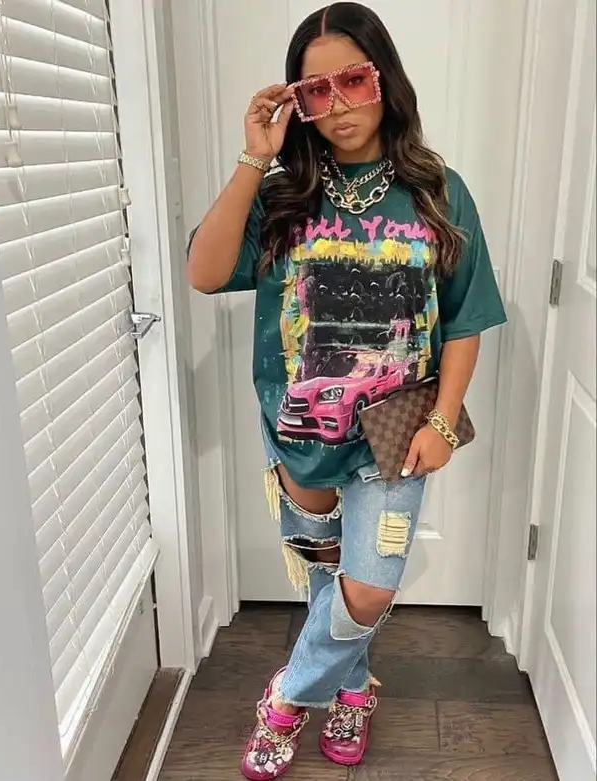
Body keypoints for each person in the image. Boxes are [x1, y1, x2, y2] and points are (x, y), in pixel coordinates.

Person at [187, 3, 507, 778]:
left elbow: (465, 319)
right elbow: (203, 272)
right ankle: (352, 689)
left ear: (384, 80)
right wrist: (252, 157)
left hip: (396, 437)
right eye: (315, 91)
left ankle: (286, 697)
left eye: (353, 81)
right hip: (299, 433)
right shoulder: (282, 195)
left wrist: (442, 419)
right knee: (323, 578)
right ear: (298, 102)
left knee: (366, 591)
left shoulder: (438, 191)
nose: (338, 105)